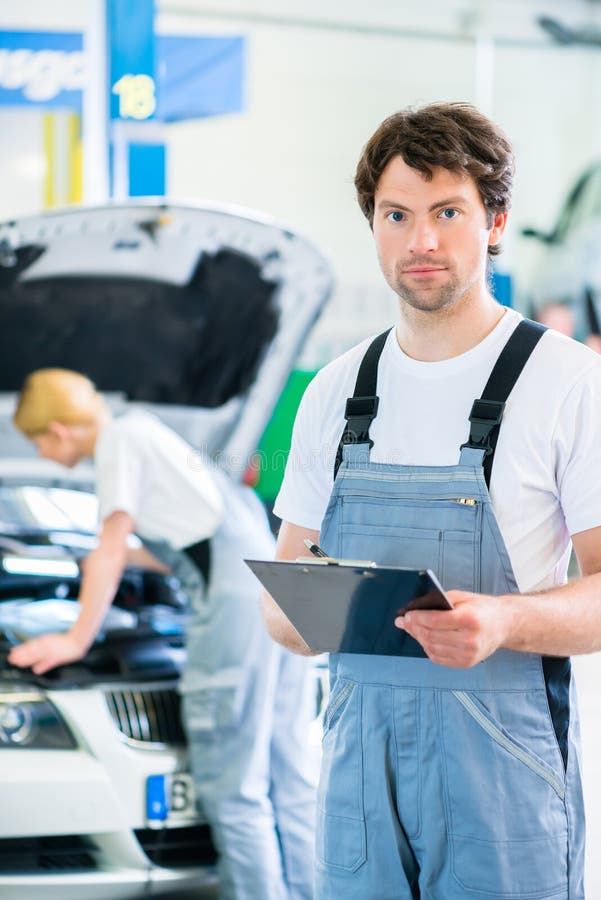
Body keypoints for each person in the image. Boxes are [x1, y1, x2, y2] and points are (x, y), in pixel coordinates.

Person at [263, 101, 601, 899]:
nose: (420, 240)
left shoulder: (567, 382)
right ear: (372, 224)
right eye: (396, 214)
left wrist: (504, 621)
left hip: (502, 770)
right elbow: (281, 606)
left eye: (447, 211)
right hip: (355, 766)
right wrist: (324, 611)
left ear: (494, 221)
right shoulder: (336, 392)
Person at [9, 368, 317, 900]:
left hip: (234, 610)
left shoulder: (118, 442)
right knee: (286, 776)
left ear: (58, 430)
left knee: (232, 788)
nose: (40, 454)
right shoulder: (149, 430)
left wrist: (75, 639)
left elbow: (112, 540)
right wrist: (101, 559)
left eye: (37, 441)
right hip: (278, 592)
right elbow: (184, 538)